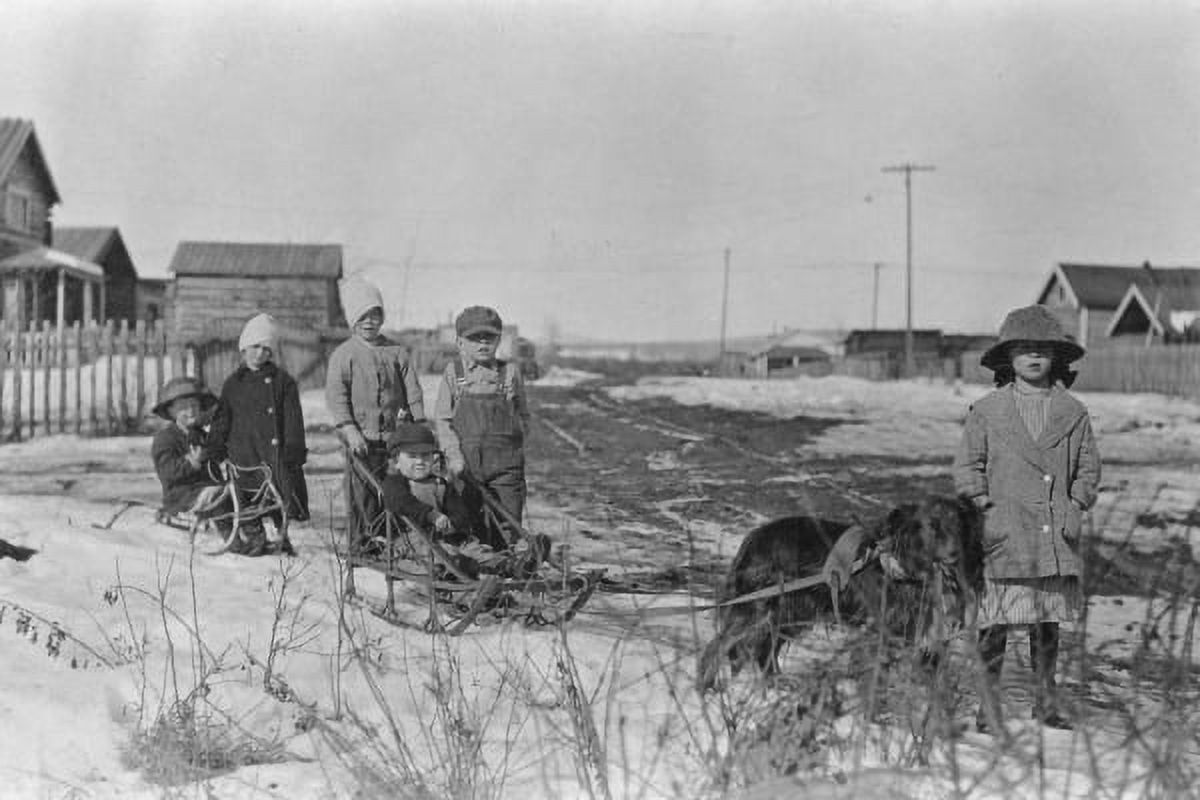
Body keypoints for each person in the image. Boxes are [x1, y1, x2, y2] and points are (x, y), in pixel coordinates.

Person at [954, 304, 1102, 733]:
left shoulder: (1072, 412)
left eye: (1044, 350)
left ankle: (1046, 703)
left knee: (1046, 627)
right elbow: (968, 466)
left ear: (1058, 357)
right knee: (995, 626)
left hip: (1052, 535)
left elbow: (1089, 468)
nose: (1034, 357)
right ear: (1008, 358)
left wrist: (1076, 504)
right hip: (1004, 533)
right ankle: (987, 707)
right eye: (1024, 350)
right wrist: (981, 504)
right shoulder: (987, 411)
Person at [325, 279, 425, 548]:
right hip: (361, 438)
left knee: (395, 487)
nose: (369, 322)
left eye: (375, 315)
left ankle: (394, 538)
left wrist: (418, 424)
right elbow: (337, 396)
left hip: (394, 437)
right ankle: (362, 541)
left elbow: (412, 390)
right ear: (352, 320)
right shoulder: (344, 355)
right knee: (362, 491)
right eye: (362, 317)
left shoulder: (396, 351)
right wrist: (349, 428)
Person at [208, 312, 306, 555]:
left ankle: (280, 533)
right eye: (255, 346)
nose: (260, 353)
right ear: (244, 347)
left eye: (266, 348)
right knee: (246, 495)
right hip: (243, 451)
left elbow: (293, 419)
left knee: (277, 493)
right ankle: (254, 535)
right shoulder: (233, 383)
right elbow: (222, 419)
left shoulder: (283, 382)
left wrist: (293, 449)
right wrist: (215, 447)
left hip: (272, 452)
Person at [434, 305, 529, 549]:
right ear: (460, 342)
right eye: (475, 338)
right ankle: (475, 567)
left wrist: (513, 450)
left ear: (499, 340)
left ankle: (507, 567)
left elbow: (523, 417)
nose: (483, 343)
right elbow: (443, 421)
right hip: (466, 467)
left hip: (506, 467)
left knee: (509, 521)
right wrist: (453, 457)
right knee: (467, 522)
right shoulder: (454, 373)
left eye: (489, 337)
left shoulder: (509, 373)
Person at [380, 422, 479, 549]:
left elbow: (459, 511)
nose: (420, 461)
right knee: (442, 559)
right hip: (408, 543)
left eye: (425, 455)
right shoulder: (395, 483)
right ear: (396, 462)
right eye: (412, 456)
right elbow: (400, 501)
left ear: (434, 458)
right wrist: (430, 515)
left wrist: (453, 524)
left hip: (442, 541)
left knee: (478, 555)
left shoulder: (440, 484)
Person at [150, 376, 230, 530]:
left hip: (209, 491)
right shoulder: (165, 439)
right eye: (184, 408)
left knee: (233, 493)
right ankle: (232, 539)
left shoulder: (203, 436)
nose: (191, 411)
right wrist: (191, 463)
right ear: (171, 411)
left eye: (194, 406)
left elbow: (220, 457)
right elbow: (167, 472)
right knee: (219, 497)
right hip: (181, 497)